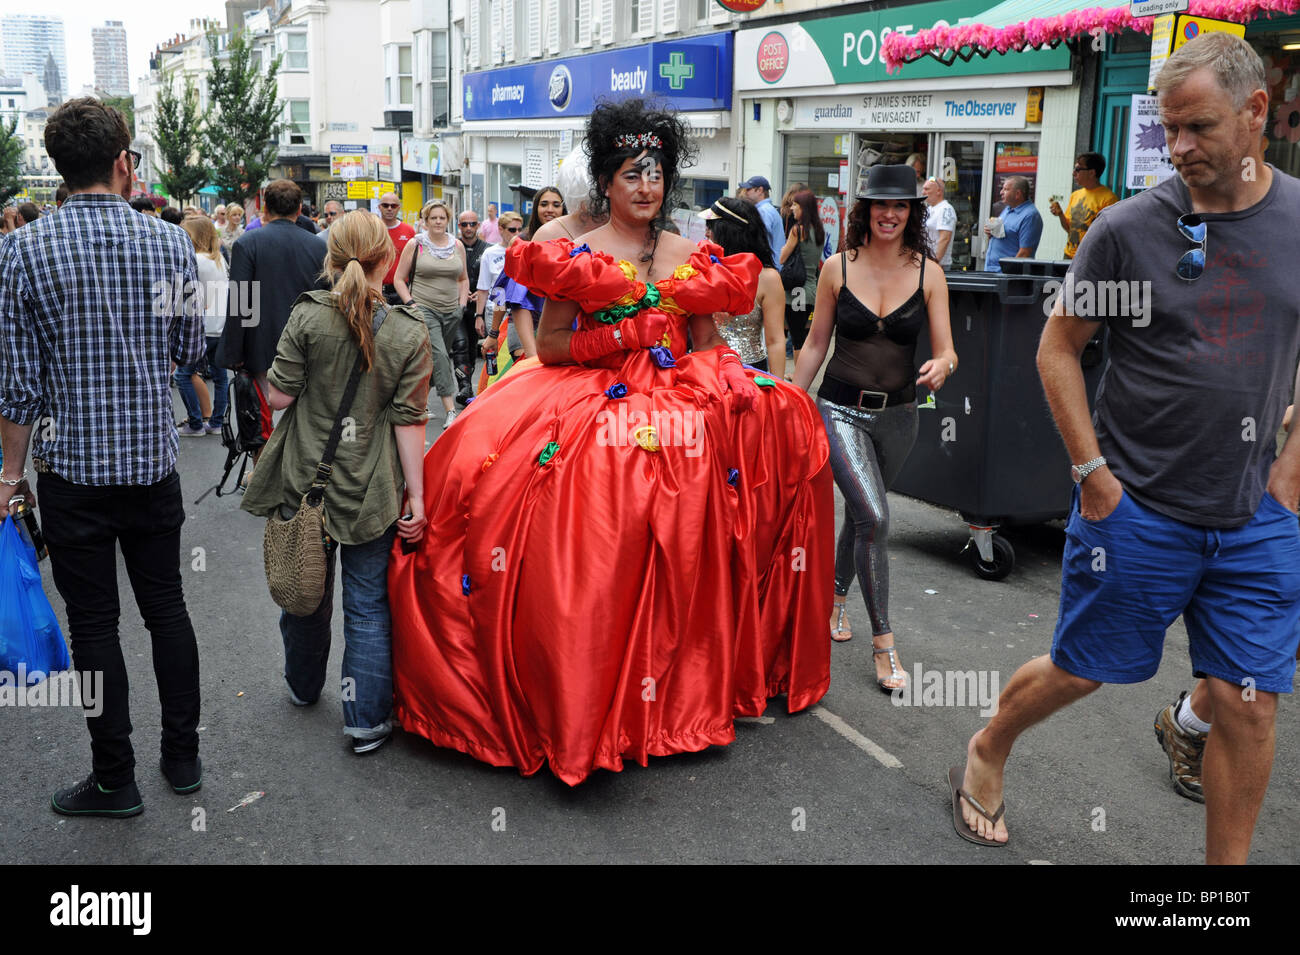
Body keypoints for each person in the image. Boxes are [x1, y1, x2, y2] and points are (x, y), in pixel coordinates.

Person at [389, 98, 835, 786]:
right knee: (594, 527)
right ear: (607, 181)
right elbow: (557, 344)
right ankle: (593, 703)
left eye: (655, 173)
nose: (646, 186)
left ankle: (677, 697)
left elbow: (710, 344)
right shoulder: (577, 254)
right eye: (631, 174)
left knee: (732, 493)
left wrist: (739, 385)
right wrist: (623, 335)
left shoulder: (694, 253)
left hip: (679, 409)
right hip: (590, 400)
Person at [952, 33, 1300, 864]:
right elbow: (1057, 347)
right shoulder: (1129, 230)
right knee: (1082, 670)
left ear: (1257, 113)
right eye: (1168, 129)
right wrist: (1092, 474)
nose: (1178, 148)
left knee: (1249, 703)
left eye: (1199, 128)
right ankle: (990, 744)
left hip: (1257, 514)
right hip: (1136, 505)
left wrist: (1291, 470)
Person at [0, 97, 204, 816]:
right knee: (167, 609)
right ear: (123, 163)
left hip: (75, 474)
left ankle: (115, 779)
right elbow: (189, 352)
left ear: (57, 167)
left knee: (95, 625)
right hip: (152, 462)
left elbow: (18, 386)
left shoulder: (23, 249)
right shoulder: (170, 244)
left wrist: (9, 478)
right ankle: (183, 758)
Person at [240, 210, 432, 755]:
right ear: (388, 259)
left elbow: (278, 396)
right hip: (370, 491)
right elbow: (409, 421)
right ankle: (366, 721)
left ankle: (303, 687)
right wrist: (416, 497)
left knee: (305, 592)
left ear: (331, 256)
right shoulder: (407, 331)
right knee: (369, 604)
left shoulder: (308, 316)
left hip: (305, 480)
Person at [792, 164, 957, 691]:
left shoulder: (930, 272)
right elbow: (816, 342)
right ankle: (884, 644)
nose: (890, 214)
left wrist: (944, 364)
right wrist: (793, 400)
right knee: (873, 513)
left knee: (866, 517)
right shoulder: (837, 267)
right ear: (864, 211)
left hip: (901, 416)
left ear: (912, 213)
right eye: (881, 205)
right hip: (838, 407)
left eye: (901, 206)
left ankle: (836, 600)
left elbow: (947, 347)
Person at [215, 179, 328, 398]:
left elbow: (241, 300)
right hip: (308, 344)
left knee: (266, 415)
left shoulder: (247, 243)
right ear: (298, 209)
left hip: (261, 347)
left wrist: (234, 351)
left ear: (265, 208)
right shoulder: (319, 246)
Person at [392, 200, 466, 429]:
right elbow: (398, 278)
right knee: (441, 356)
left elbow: (463, 279)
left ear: (448, 220)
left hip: (452, 312)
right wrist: (411, 303)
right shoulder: (416, 244)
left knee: (433, 359)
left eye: (442, 218)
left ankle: (416, 400)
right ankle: (450, 410)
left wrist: (462, 305)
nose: (437, 221)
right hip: (424, 308)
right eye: (433, 218)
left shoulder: (457, 245)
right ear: (425, 221)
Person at [700, 196, 786, 378]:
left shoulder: (768, 278)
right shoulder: (702, 268)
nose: (706, 233)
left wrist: (779, 388)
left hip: (750, 372)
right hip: (705, 369)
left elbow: (775, 341)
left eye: (711, 227)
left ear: (728, 231)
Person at [176, 216, 230, 436]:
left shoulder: (195, 260)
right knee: (220, 377)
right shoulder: (218, 260)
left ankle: (196, 423)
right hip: (219, 325)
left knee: (182, 375)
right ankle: (216, 423)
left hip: (201, 326)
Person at [779, 188, 825, 372]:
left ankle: (799, 376)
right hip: (812, 289)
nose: (792, 209)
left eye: (795, 205)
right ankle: (799, 374)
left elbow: (782, 257)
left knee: (797, 338)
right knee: (804, 336)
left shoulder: (798, 230)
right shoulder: (819, 230)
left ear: (804, 208)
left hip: (797, 292)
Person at [1049, 152, 1120, 259]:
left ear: (1091, 173)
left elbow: (1108, 235)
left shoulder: (1109, 199)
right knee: (1069, 277)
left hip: (1090, 258)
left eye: (1078, 169)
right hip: (1069, 255)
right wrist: (1060, 215)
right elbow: (1070, 229)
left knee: (1080, 277)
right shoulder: (1075, 195)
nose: (1073, 173)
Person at [983, 176, 1042, 271]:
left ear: (1017, 194)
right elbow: (1007, 238)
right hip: (991, 271)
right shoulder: (1008, 209)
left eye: (1006, 189)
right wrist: (991, 233)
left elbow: (1024, 253)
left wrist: (1007, 274)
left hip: (1005, 276)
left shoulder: (1030, 216)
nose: (1001, 192)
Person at [376, 191, 415, 303]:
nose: (389, 208)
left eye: (393, 206)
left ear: (398, 208)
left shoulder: (409, 231)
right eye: (385, 205)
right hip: (377, 290)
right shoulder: (372, 230)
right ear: (379, 207)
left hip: (402, 291)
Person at [739, 175, 784, 267]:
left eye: (748, 189)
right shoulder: (768, 209)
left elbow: (760, 242)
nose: (745, 193)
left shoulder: (763, 211)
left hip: (769, 266)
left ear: (760, 190)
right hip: (773, 265)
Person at [923, 177, 957, 269]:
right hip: (926, 263)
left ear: (938, 191)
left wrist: (934, 263)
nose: (923, 192)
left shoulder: (946, 209)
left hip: (939, 265)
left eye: (927, 189)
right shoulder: (929, 209)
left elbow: (945, 238)